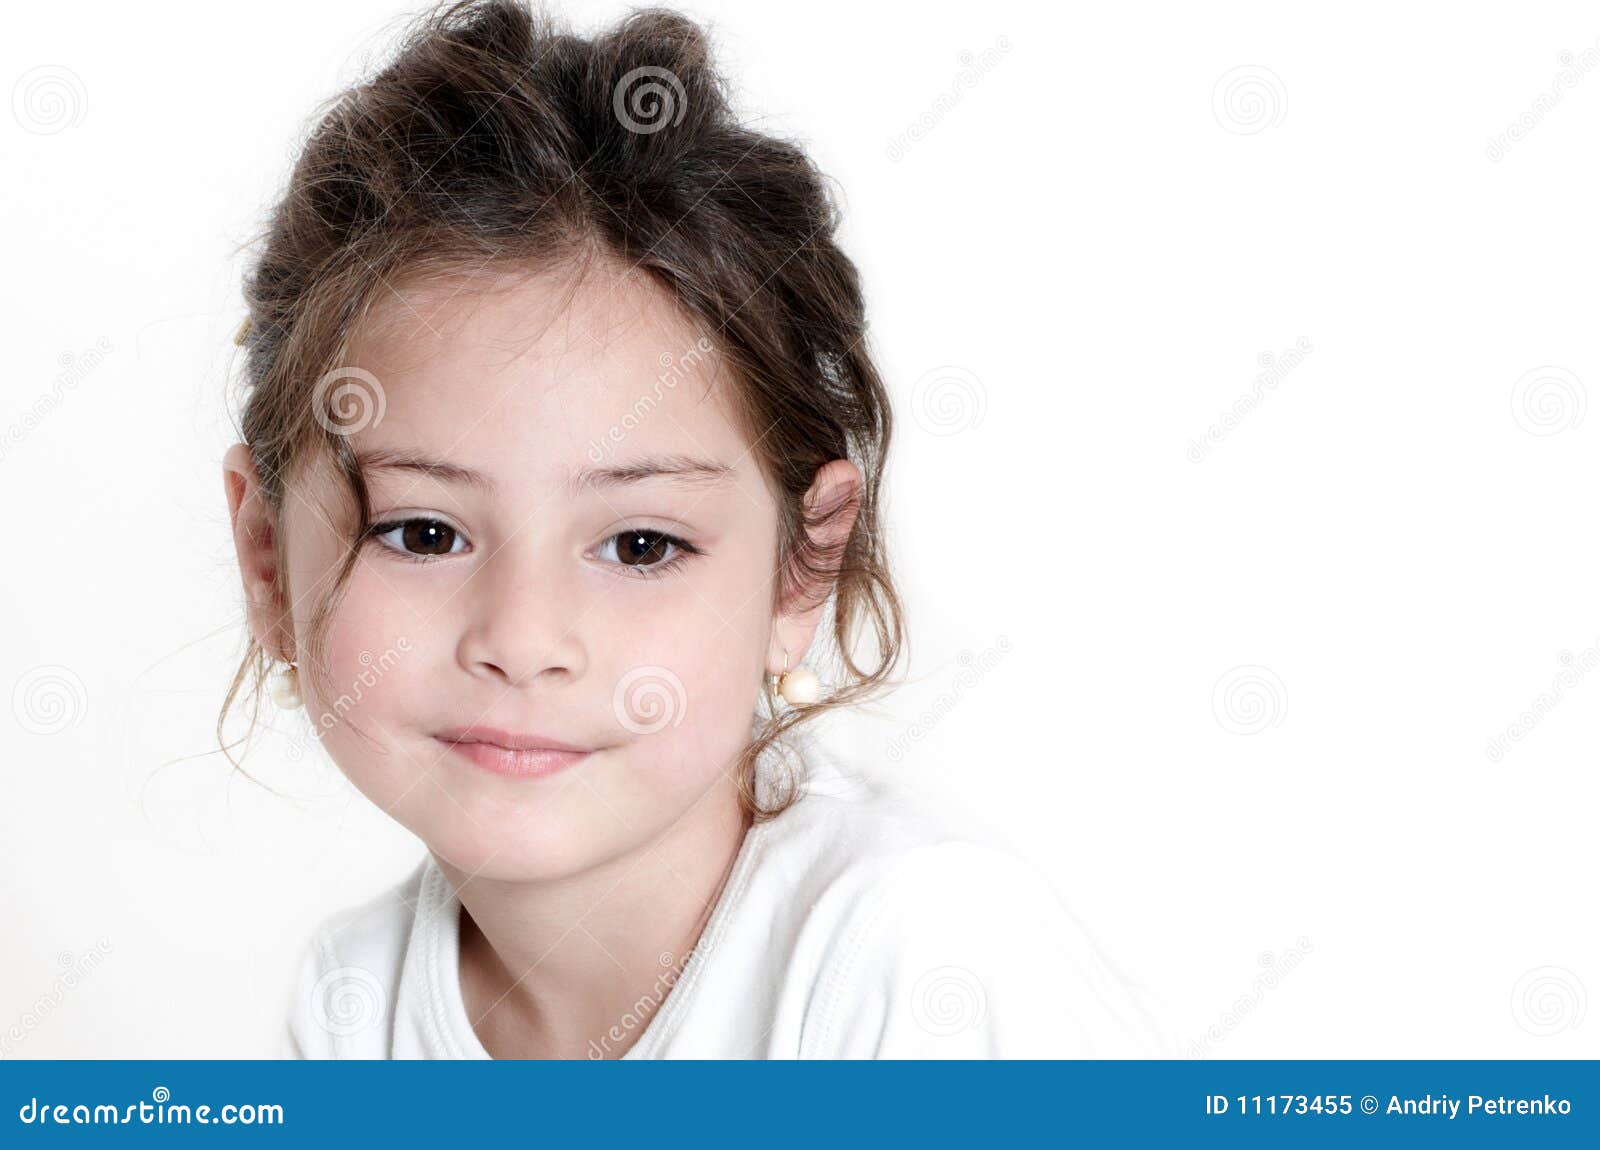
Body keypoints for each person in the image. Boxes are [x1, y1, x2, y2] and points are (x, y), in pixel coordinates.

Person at [219, 0, 1168, 1058]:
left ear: (803, 569)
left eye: (640, 545)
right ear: (266, 559)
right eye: (425, 533)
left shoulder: (914, 956)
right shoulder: (356, 997)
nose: (525, 638)